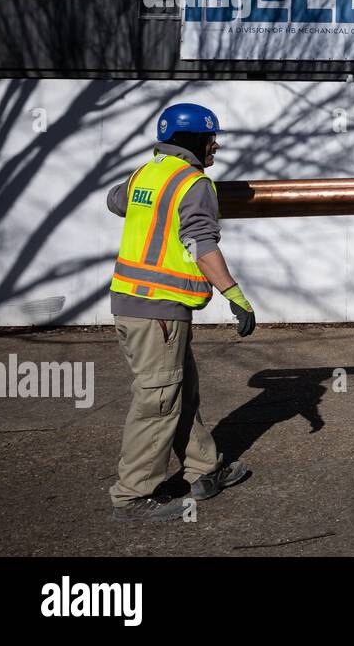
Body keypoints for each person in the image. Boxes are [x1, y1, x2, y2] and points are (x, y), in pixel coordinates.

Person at [105, 103, 255, 522]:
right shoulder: (193, 182)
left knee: (180, 389)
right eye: (212, 138)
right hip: (158, 310)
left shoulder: (144, 174)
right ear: (193, 141)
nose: (216, 145)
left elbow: (115, 201)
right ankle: (133, 496)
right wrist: (234, 294)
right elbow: (200, 242)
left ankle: (205, 470)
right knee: (158, 399)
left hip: (132, 303)